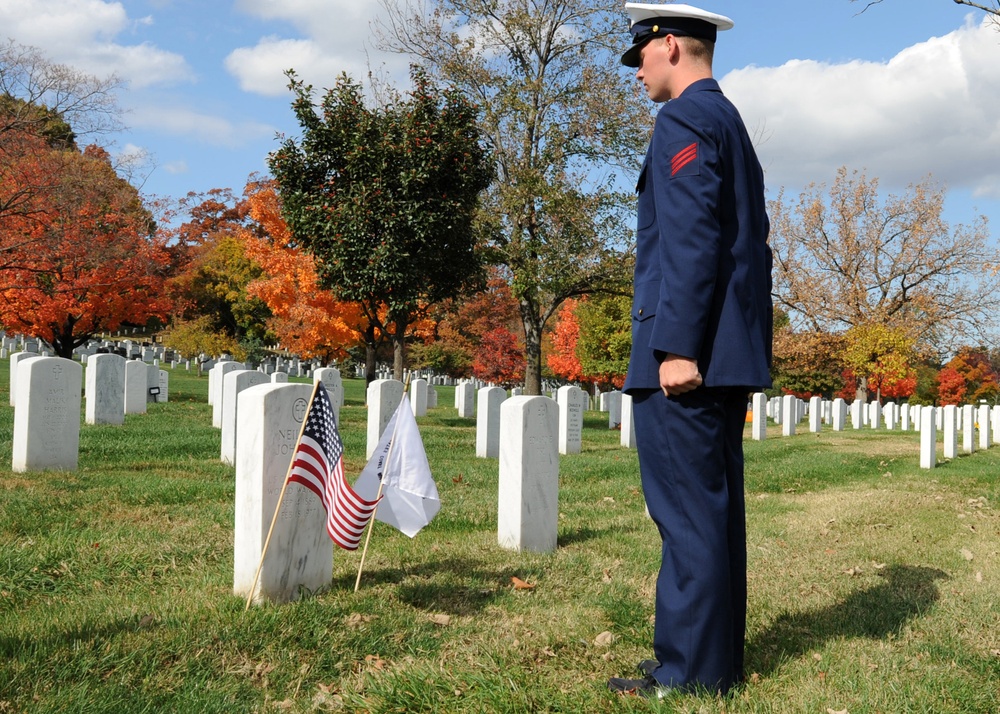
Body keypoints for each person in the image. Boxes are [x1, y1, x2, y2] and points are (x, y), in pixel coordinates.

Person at [608, 2, 773, 698]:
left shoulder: (681, 119)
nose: (637, 69)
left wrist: (673, 346)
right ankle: (712, 665)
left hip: (688, 357)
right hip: (726, 353)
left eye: (641, 54)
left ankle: (686, 675)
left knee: (684, 516)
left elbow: (692, 240)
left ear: (670, 45)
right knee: (711, 513)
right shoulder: (726, 118)